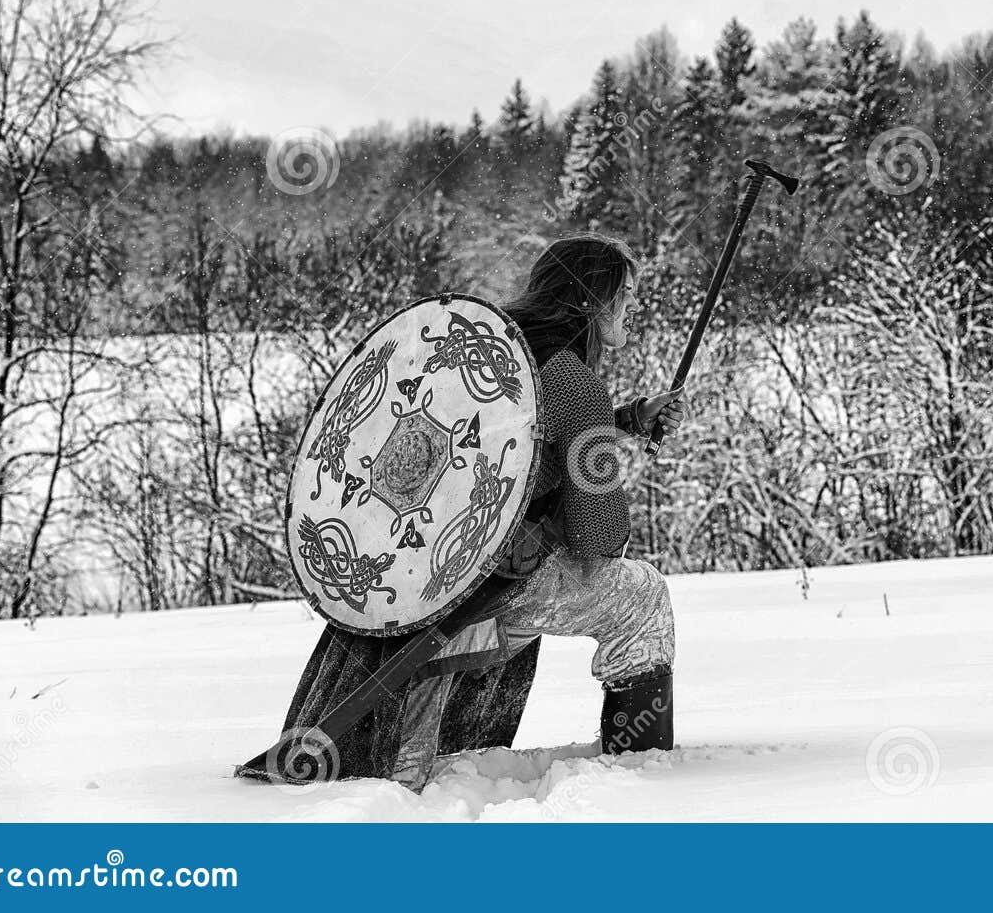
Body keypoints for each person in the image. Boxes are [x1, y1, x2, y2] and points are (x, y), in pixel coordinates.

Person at [237, 233, 685, 792]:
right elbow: (596, 539)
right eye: (626, 294)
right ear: (593, 301)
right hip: (496, 585)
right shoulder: (574, 382)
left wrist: (628, 420)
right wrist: (603, 463)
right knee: (642, 599)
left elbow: (506, 439)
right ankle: (644, 773)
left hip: (423, 570)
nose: (634, 307)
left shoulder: (494, 350)